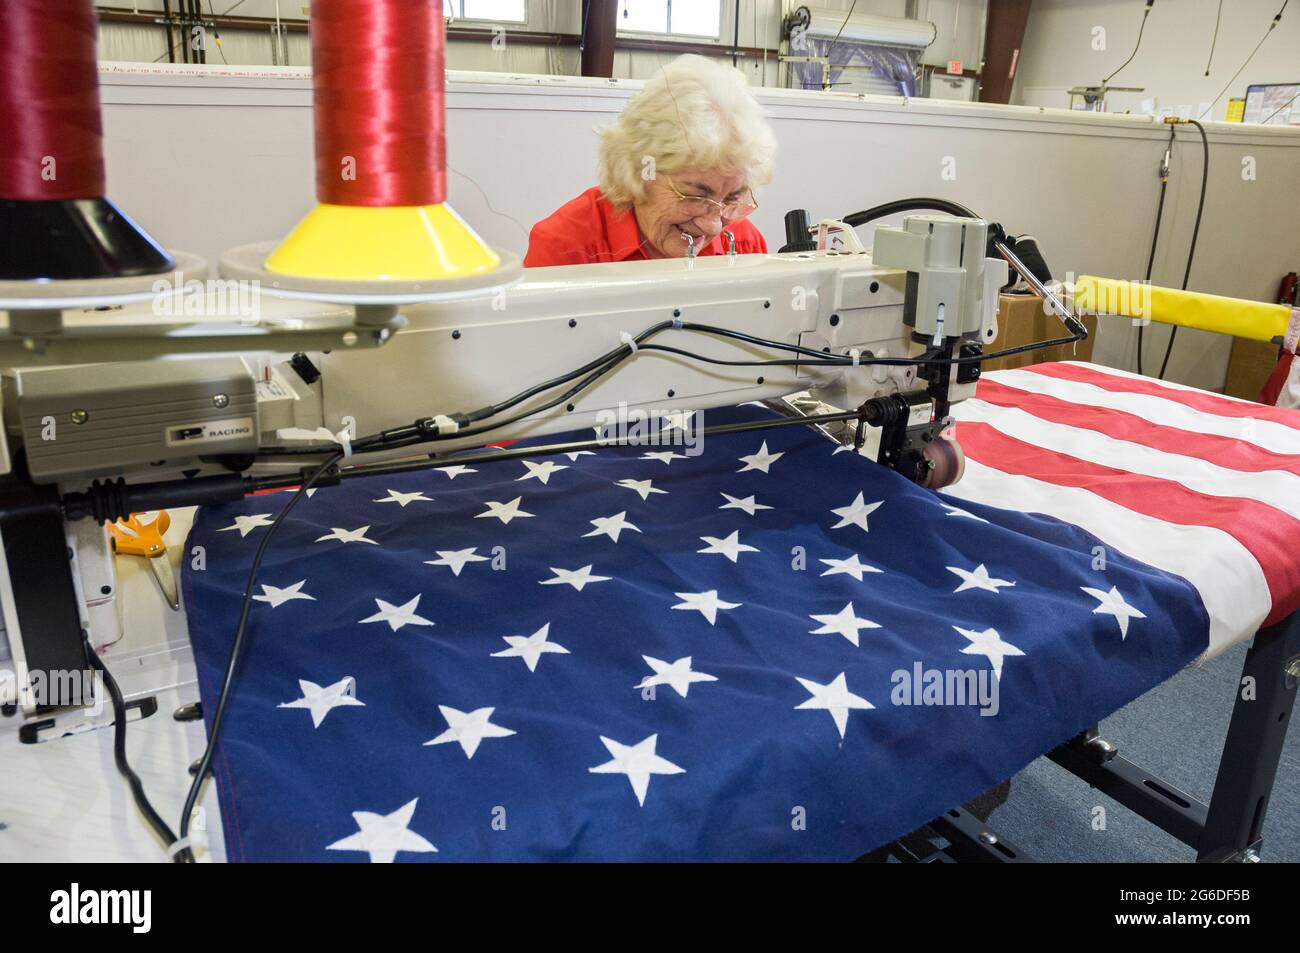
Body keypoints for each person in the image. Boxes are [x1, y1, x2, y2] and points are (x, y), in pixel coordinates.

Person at [524, 54, 776, 267]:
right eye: (695, 195)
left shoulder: (745, 244)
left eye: (732, 198)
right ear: (636, 171)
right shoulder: (564, 250)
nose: (713, 226)